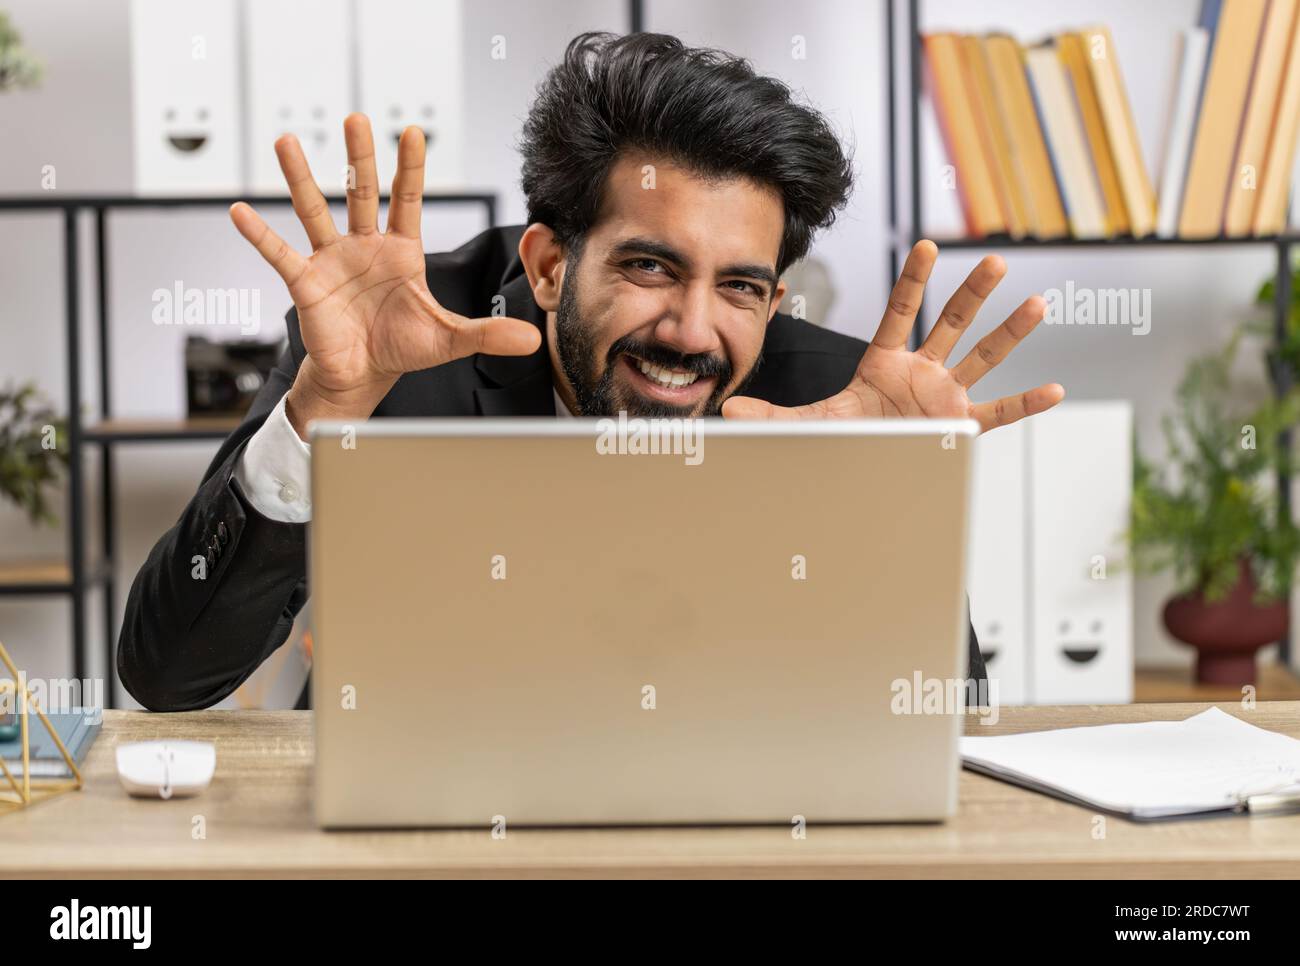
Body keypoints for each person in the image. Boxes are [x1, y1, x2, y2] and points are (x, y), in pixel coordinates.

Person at [118, 32, 1063, 712]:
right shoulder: (393, 348)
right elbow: (167, 676)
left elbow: (948, 726)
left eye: (740, 286)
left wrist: (893, 517)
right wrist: (319, 412)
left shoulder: (838, 402)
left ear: (776, 301)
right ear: (546, 267)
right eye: (649, 266)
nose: (691, 330)